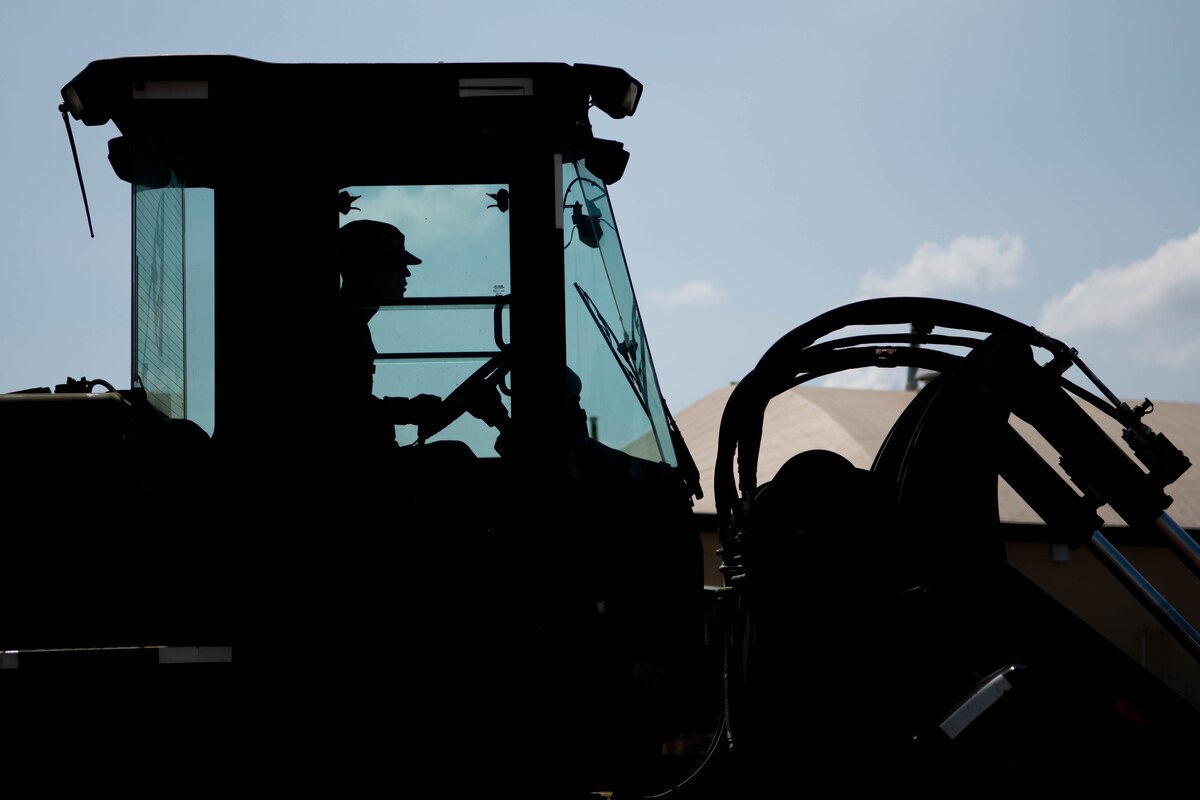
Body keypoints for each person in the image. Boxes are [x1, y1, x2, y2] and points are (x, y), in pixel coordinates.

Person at [332, 219, 449, 456]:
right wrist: (406, 410)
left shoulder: (354, 324)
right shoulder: (343, 327)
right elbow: (342, 406)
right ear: (365, 267)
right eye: (395, 264)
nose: (406, 273)